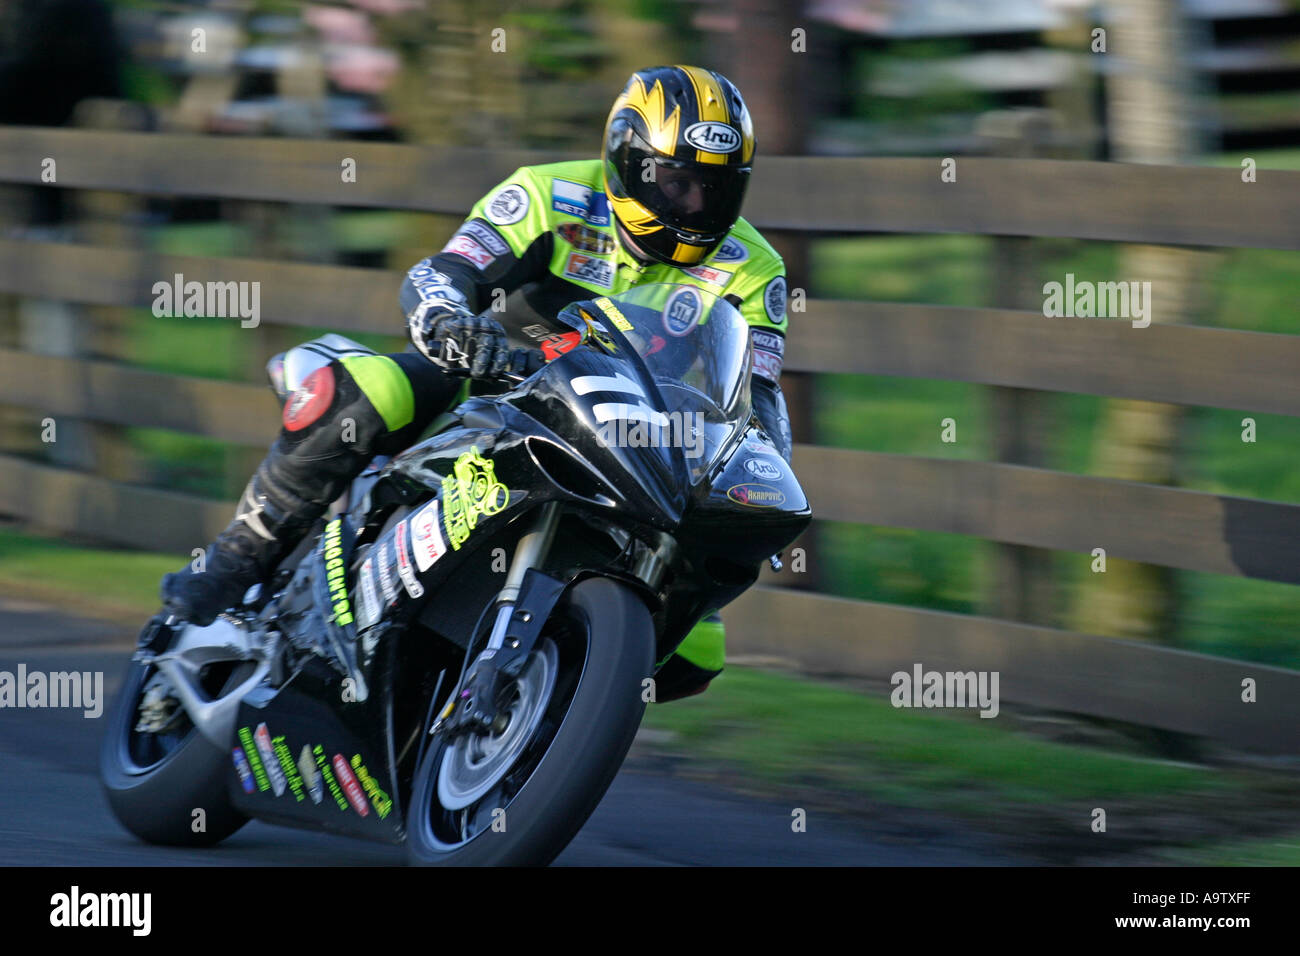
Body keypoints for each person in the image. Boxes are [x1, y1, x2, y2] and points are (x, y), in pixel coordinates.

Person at [162, 65, 793, 700]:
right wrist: (448, 319)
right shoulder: (551, 195)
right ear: (627, 161)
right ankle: (234, 559)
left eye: (714, 189)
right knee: (365, 395)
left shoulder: (754, 266)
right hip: (493, 384)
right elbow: (445, 270)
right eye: (677, 181)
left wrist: (757, 467)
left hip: (634, 436)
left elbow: (756, 393)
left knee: (698, 647)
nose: (693, 206)